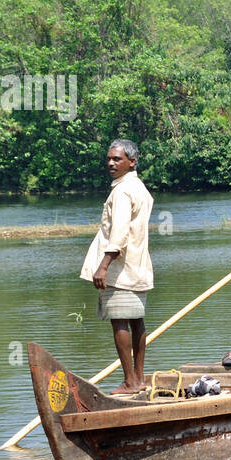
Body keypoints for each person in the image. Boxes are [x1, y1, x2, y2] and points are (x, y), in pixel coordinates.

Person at [80, 139, 153, 395]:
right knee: (136, 322)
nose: (111, 163)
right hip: (137, 267)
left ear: (131, 162)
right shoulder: (139, 187)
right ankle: (139, 379)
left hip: (120, 270)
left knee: (120, 320)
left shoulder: (122, 191)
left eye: (117, 159)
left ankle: (131, 381)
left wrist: (103, 266)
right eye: (109, 159)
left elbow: (119, 233)